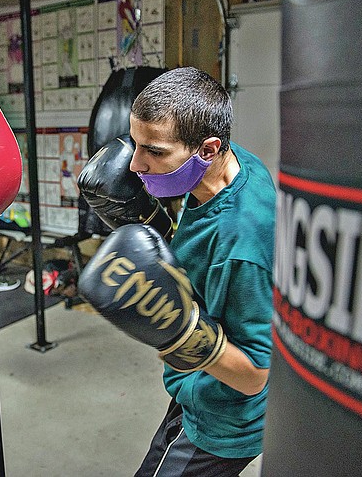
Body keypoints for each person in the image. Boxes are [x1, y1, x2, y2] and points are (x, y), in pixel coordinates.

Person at [78, 67, 275, 476]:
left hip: (222, 419)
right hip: (200, 389)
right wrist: (153, 225)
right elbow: (204, 256)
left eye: (154, 151)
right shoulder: (232, 167)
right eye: (135, 143)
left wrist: (181, 331)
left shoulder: (241, 244)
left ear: (208, 149)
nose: (135, 164)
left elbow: (255, 375)